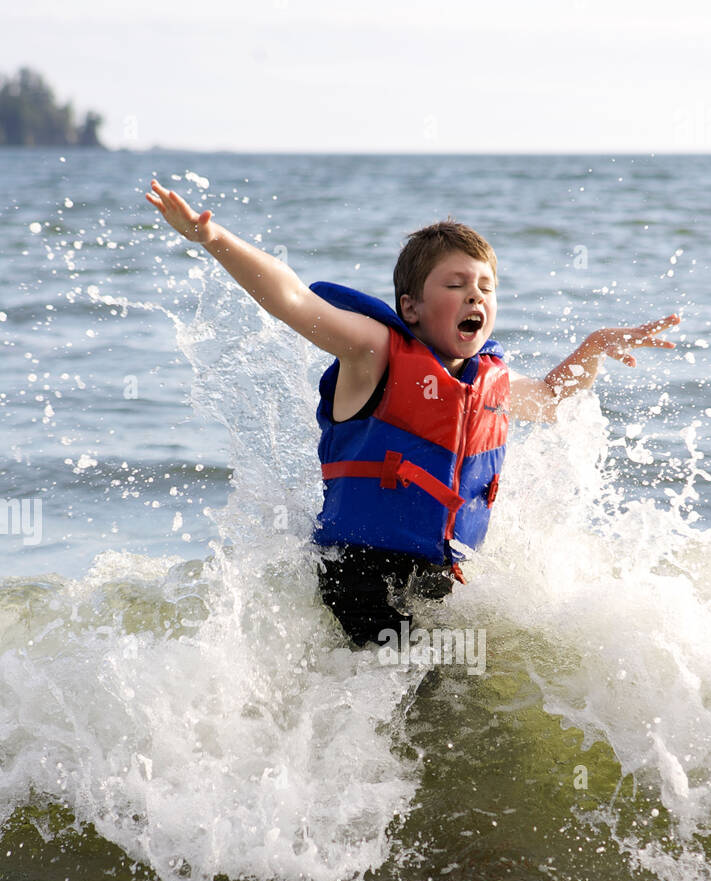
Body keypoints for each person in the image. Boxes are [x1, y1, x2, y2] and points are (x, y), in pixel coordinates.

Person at [145, 179, 679, 646]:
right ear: (411, 307)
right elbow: (292, 300)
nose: (476, 296)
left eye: (486, 288)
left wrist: (592, 348)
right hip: (357, 576)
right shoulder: (374, 353)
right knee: (425, 672)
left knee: (470, 678)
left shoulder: (487, 382)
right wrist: (210, 238)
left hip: (436, 574)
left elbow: (552, 399)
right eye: (456, 286)